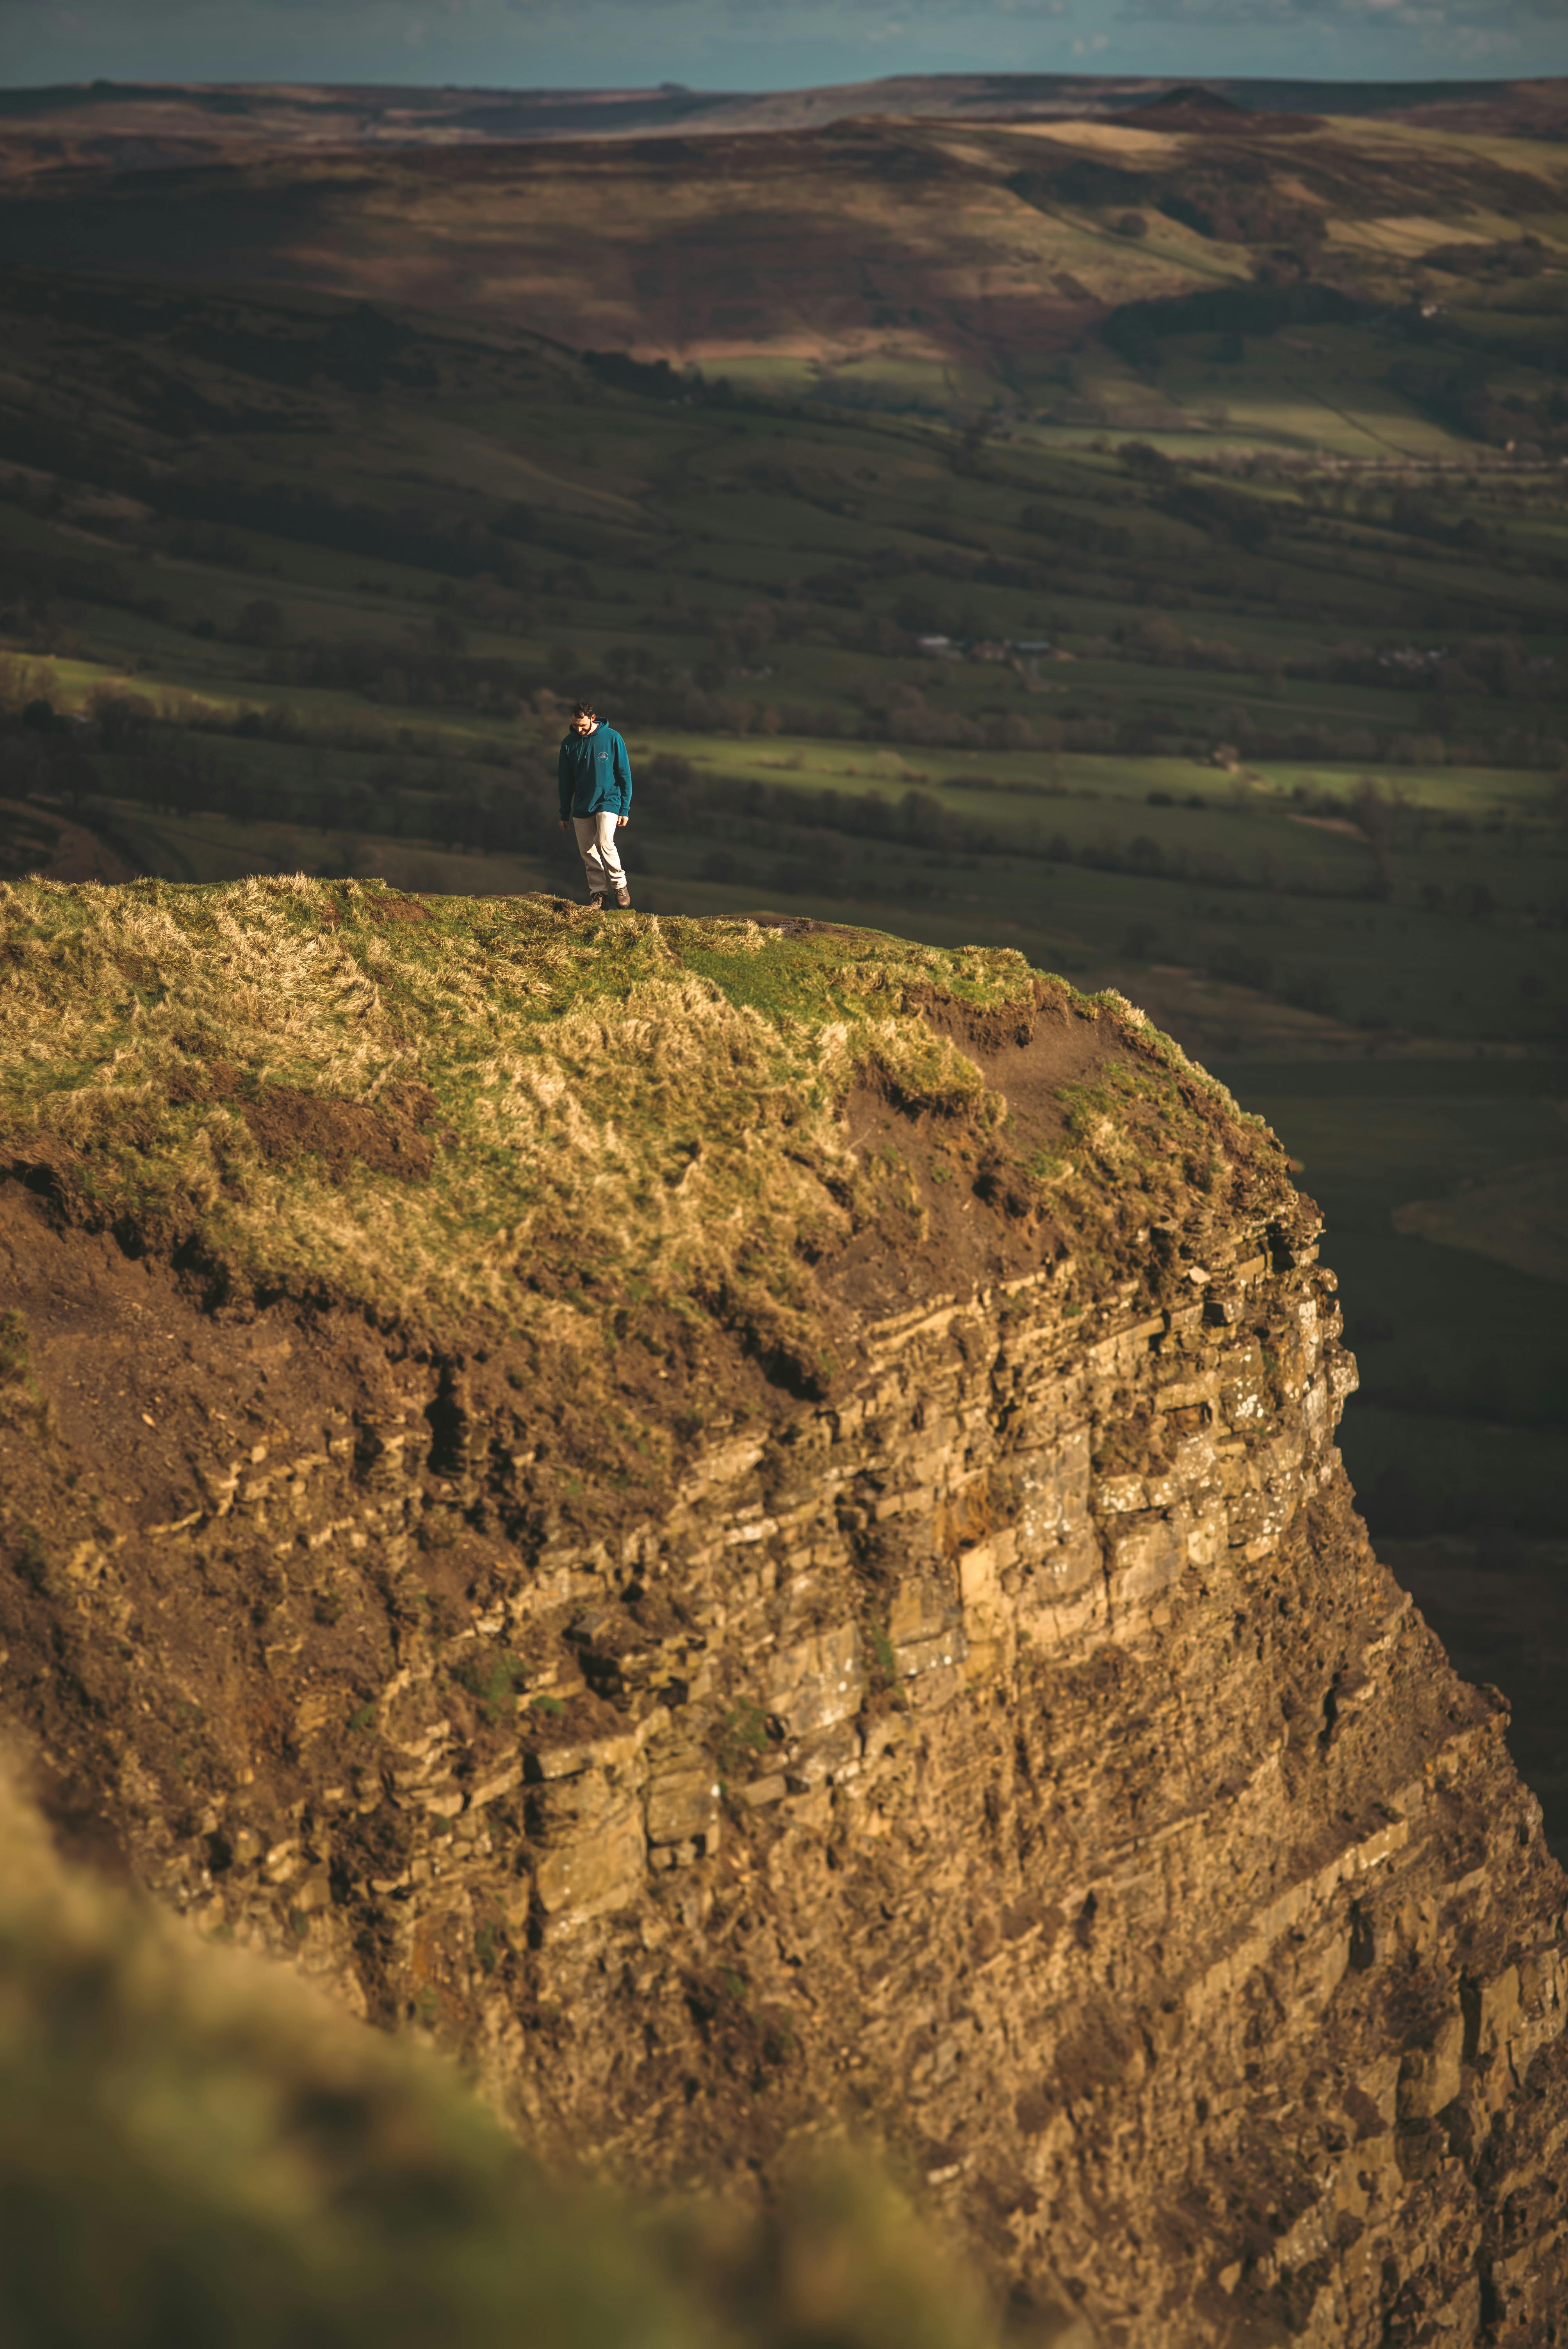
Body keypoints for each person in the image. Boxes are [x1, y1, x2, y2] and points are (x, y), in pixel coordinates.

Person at [557, 700, 633, 910]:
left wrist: (624, 808)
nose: (578, 729)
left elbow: (624, 774)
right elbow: (565, 781)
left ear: (592, 718)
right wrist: (565, 812)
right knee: (588, 852)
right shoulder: (568, 744)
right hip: (582, 805)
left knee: (603, 841)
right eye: (574, 725)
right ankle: (599, 894)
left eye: (582, 725)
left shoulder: (613, 738)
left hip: (608, 800)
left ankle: (620, 885)